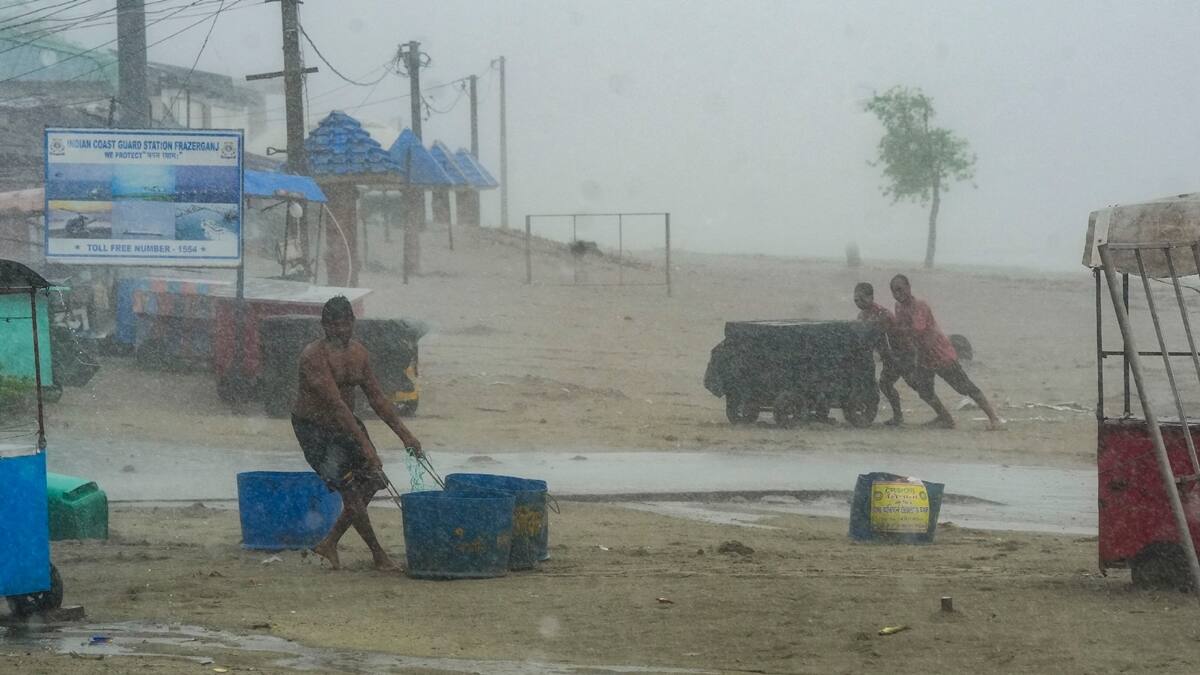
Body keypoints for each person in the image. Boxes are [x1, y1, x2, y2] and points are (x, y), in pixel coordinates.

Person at [292, 296, 422, 570]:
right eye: (333, 326)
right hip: (315, 429)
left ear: (353, 323)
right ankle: (378, 556)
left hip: (346, 423)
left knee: (374, 480)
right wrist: (367, 448)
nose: (339, 331)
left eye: (344, 325)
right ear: (324, 326)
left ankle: (329, 543)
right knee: (349, 490)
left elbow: (377, 399)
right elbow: (336, 405)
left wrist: (406, 436)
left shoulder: (359, 353)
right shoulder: (313, 357)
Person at [888, 274, 1003, 430]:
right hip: (922, 356)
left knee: (965, 387)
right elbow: (903, 331)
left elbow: (917, 330)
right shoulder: (899, 307)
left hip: (939, 353)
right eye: (894, 291)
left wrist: (901, 333)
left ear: (909, 288)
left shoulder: (920, 306)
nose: (898, 294)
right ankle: (945, 418)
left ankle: (994, 417)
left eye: (901, 290)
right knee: (924, 391)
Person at [853, 282, 914, 426]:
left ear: (871, 297)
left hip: (900, 353)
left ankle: (899, 417)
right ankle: (898, 417)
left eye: (862, 299)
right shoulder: (862, 315)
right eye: (856, 300)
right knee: (887, 384)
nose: (859, 303)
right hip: (889, 355)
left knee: (908, 384)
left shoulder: (882, 315)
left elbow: (884, 339)